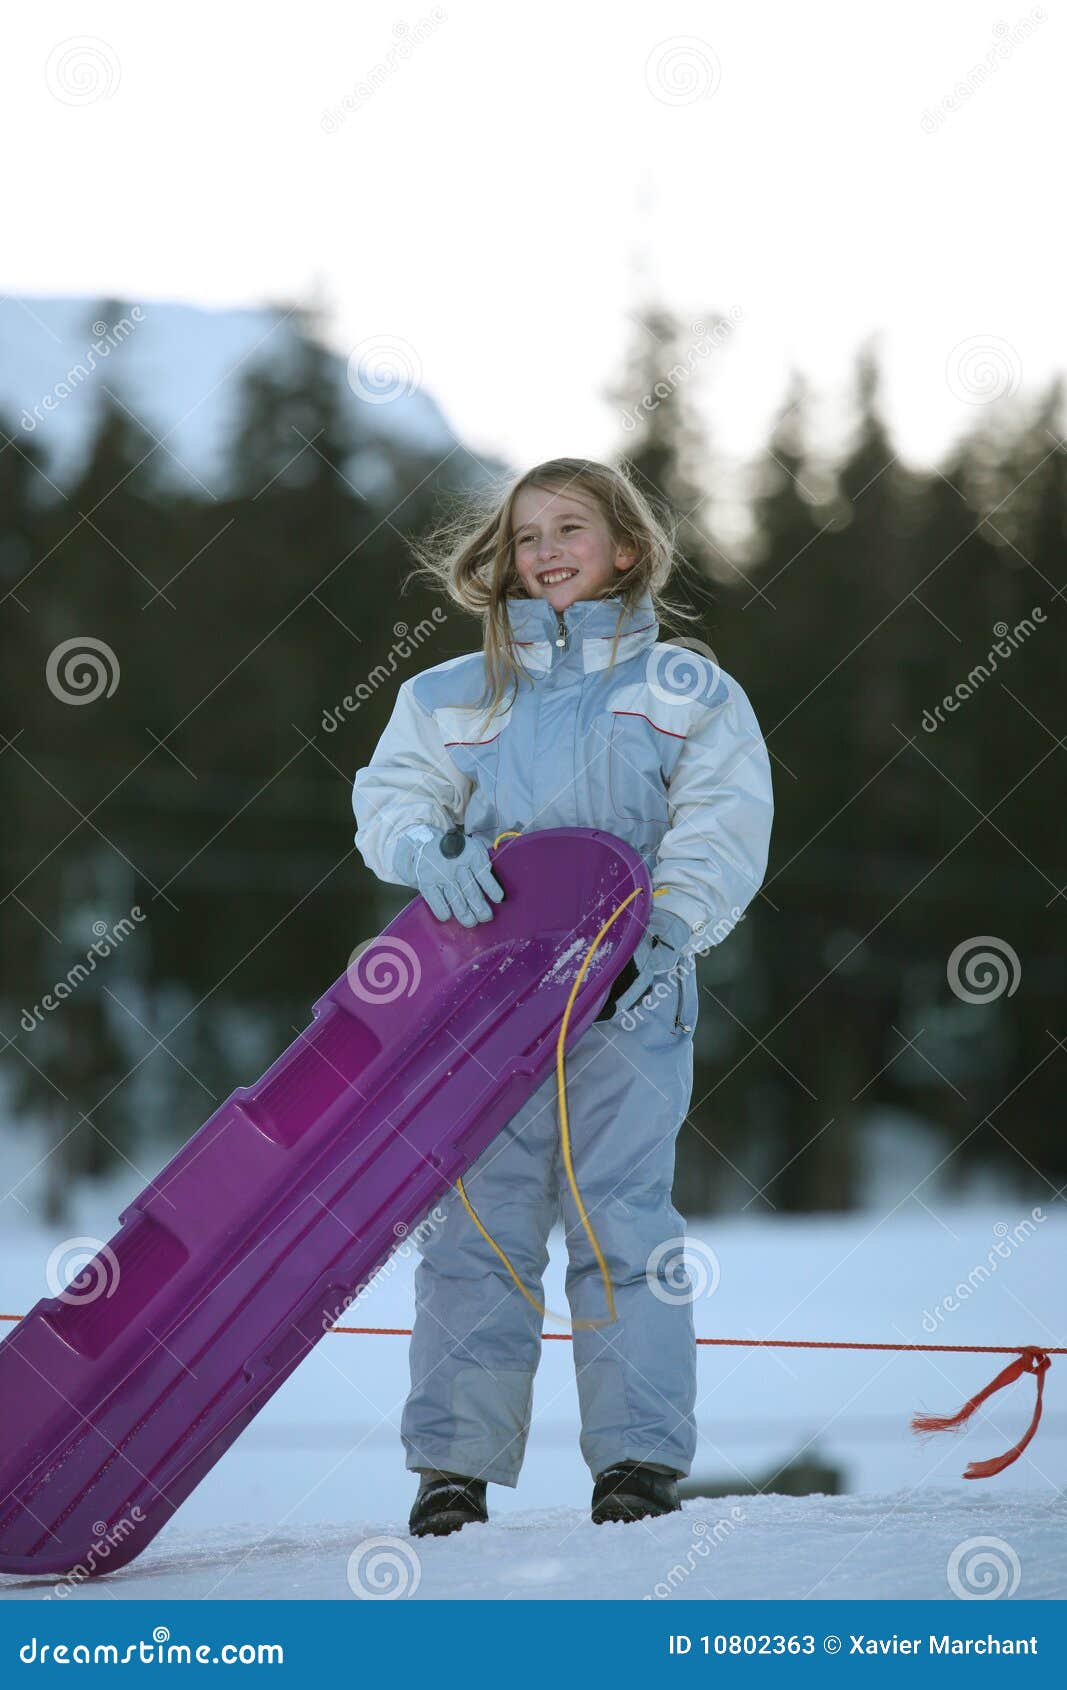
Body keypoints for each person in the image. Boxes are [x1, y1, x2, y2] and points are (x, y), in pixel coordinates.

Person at [351, 457, 773, 1536]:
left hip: (628, 997)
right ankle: (453, 1471)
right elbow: (392, 798)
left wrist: (668, 929)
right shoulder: (449, 692)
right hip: (481, 1007)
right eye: (524, 531)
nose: (542, 548)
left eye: (568, 526)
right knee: (473, 1232)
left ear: (623, 547)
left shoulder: (687, 688)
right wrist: (425, 850)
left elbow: (722, 818)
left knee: (619, 1222)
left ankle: (634, 1462)